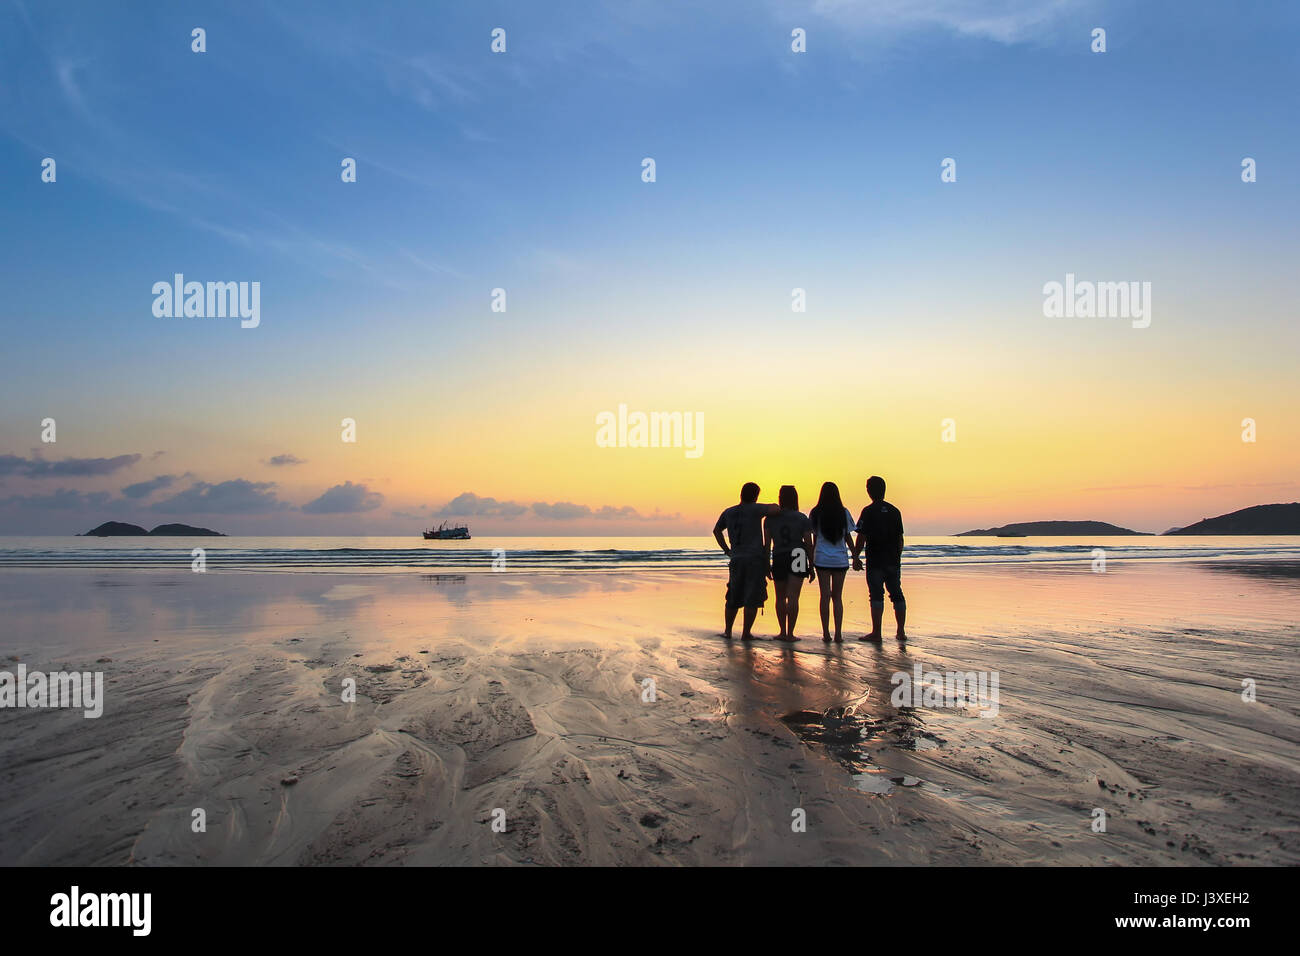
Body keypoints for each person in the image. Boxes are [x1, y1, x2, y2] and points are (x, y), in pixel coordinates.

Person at [712, 482, 780, 640]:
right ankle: (746, 633)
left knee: (733, 595)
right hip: (754, 559)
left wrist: (727, 550)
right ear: (756, 496)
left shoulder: (729, 512)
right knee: (752, 596)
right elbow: (775, 509)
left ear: (741, 494)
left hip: (736, 558)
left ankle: (728, 631)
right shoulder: (756, 509)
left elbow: (716, 530)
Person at [852, 475, 906, 642]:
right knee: (897, 594)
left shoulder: (868, 511)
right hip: (892, 560)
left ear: (870, 491)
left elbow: (861, 537)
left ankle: (877, 632)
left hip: (875, 560)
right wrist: (897, 556)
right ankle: (900, 632)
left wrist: (855, 556)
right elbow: (900, 539)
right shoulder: (895, 511)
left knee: (876, 595)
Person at [763, 485, 815, 642]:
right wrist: (811, 565)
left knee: (780, 597)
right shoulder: (802, 518)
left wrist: (766, 564)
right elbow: (809, 543)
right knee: (793, 597)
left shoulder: (769, 519)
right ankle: (791, 633)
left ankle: (782, 631)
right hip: (798, 554)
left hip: (779, 554)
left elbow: (767, 544)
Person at [808, 481, 857, 643]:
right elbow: (848, 537)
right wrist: (855, 556)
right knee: (837, 596)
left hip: (822, 557)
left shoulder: (815, 513)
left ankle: (826, 634)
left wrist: (811, 560)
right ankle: (838, 634)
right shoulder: (843, 512)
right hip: (840, 559)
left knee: (825, 596)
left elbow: (815, 539)